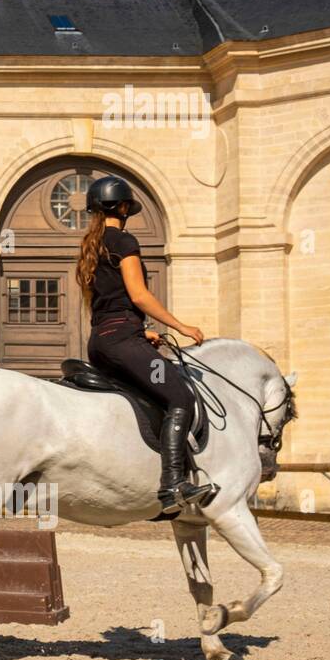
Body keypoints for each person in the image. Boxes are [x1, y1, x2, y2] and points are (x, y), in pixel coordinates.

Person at [75, 176, 215, 514]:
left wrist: (145, 332)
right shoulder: (124, 241)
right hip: (123, 340)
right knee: (181, 396)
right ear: (122, 207)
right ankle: (172, 484)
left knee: (149, 397)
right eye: (127, 207)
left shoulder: (90, 247)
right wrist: (179, 325)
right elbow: (138, 295)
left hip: (102, 342)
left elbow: (106, 304)